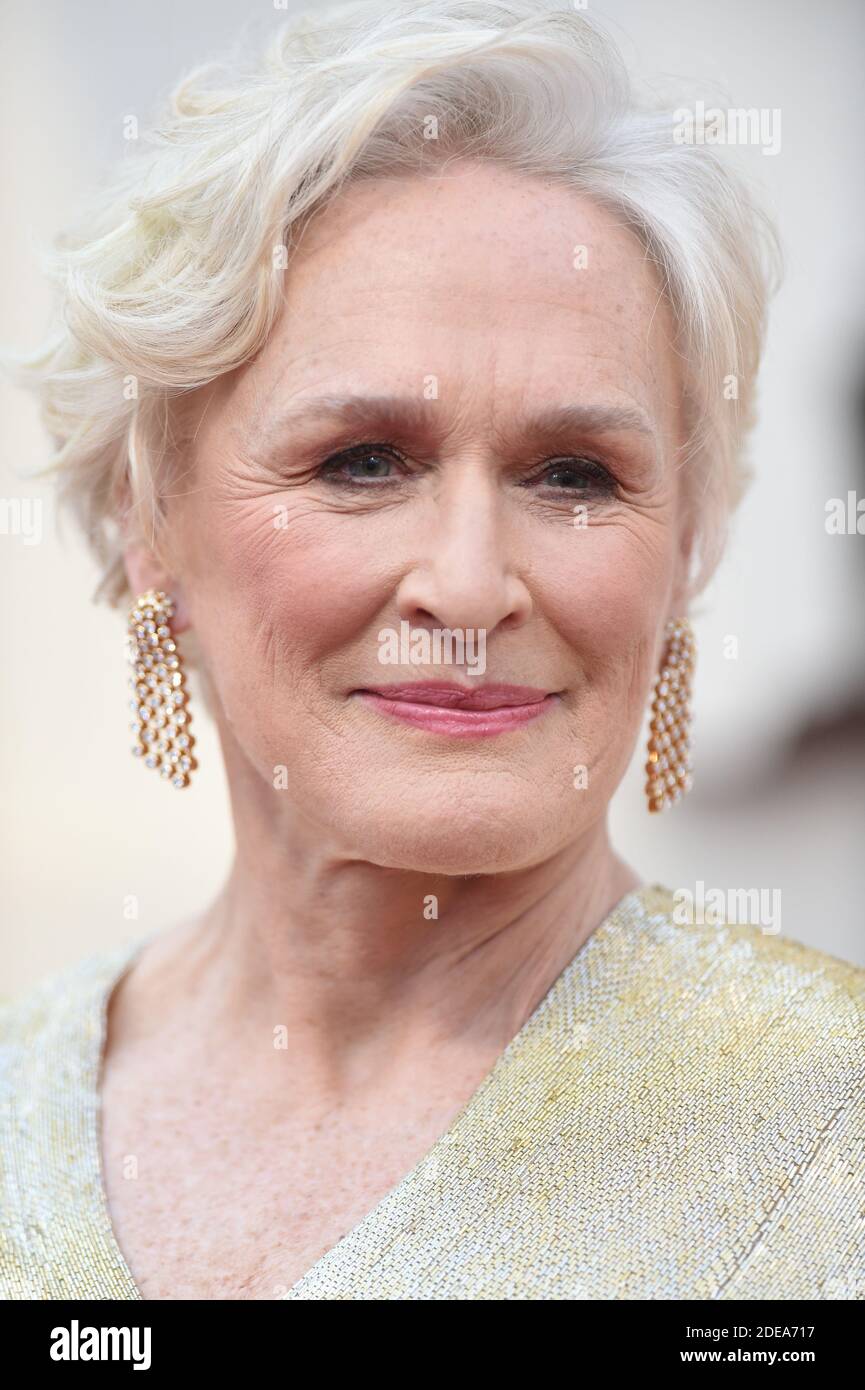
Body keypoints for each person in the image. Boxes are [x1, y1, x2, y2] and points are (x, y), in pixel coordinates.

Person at [1, 0, 862, 1301]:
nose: (467, 582)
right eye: (360, 461)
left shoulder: (832, 1132)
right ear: (148, 522)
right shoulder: (20, 1100)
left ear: (686, 545)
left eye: (572, 473)